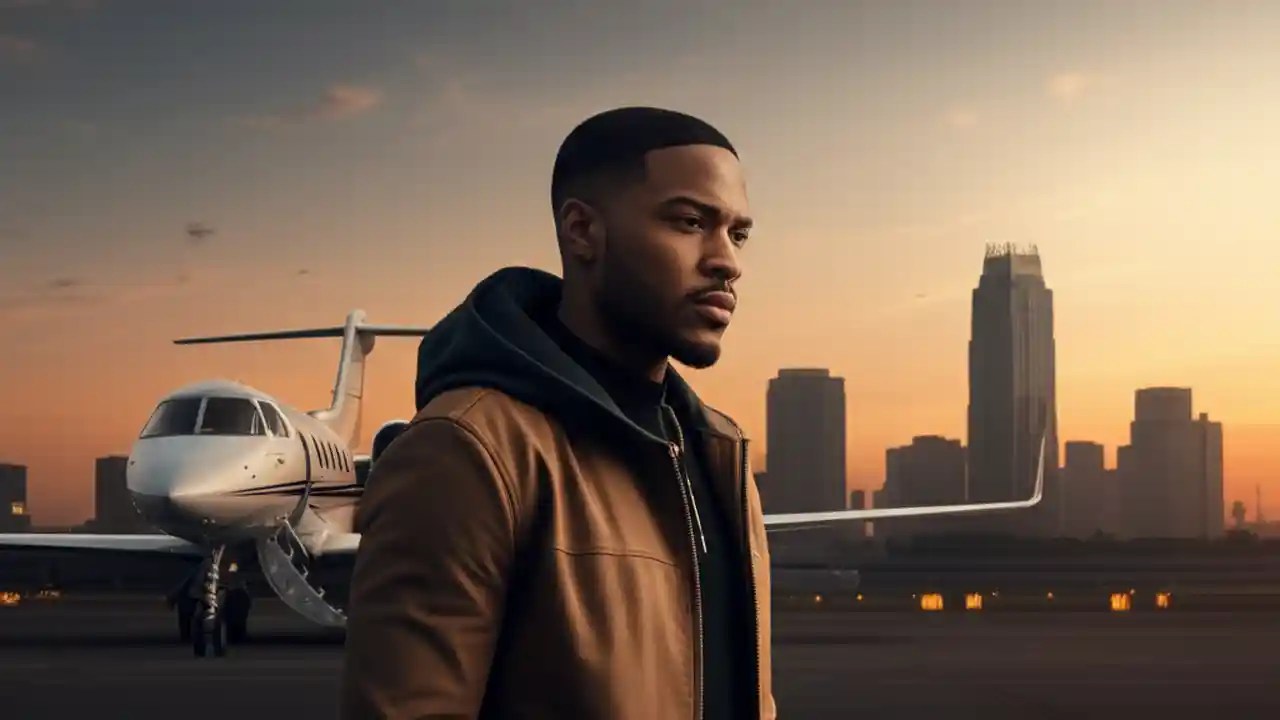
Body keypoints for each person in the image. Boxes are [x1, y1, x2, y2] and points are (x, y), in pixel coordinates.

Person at [339, 106, 776, 719]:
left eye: (738, 234)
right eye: (689, 222)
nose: (727, 261)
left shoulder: (721, 453)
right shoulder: (467, 450)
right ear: (581, 231)